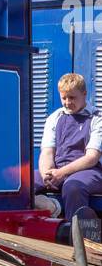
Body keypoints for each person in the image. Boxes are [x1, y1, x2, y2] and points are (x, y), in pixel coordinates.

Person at [36, 73, 102, 222]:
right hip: (57, 169)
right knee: (21, 182)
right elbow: (47, 152)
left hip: (88, 171)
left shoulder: (97, 118)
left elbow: (91, 158)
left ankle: (74, 236)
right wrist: (47, 174)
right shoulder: (54, 117)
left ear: (84, 94)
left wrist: (61, 173)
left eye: (72, 98)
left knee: (73, 186)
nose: (67, 102)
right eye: (63, 98)